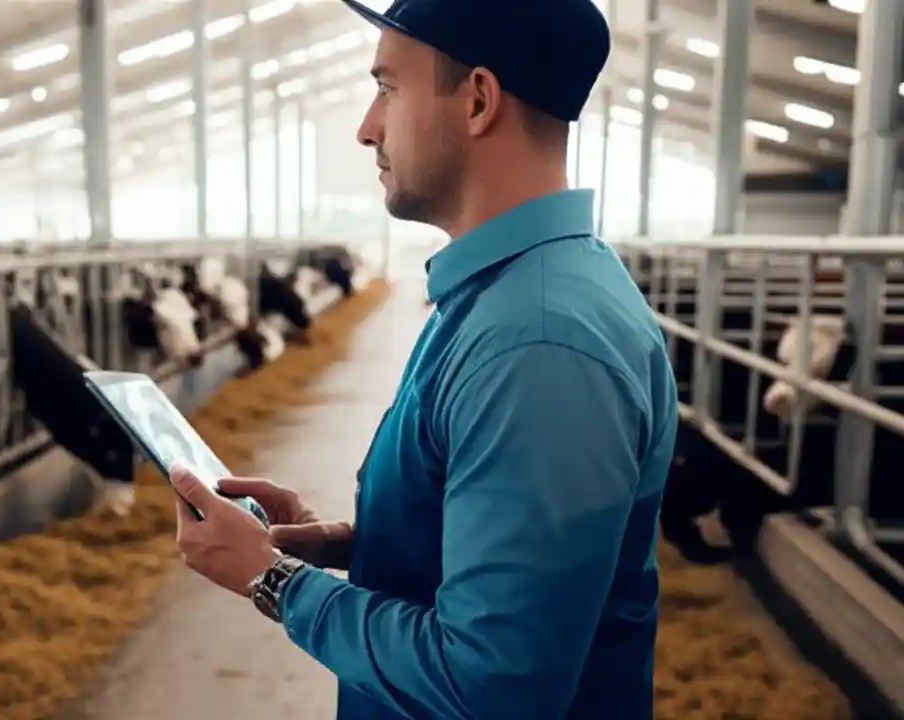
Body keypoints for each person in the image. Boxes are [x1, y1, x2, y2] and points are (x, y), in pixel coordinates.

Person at [169, 0, 680, 718]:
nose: (367, 127)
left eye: (388, 87)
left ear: (477, 100)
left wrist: (272, 579)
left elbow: (493, 688)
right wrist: (356, 542)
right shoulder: (503, 297)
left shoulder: (535, 341)